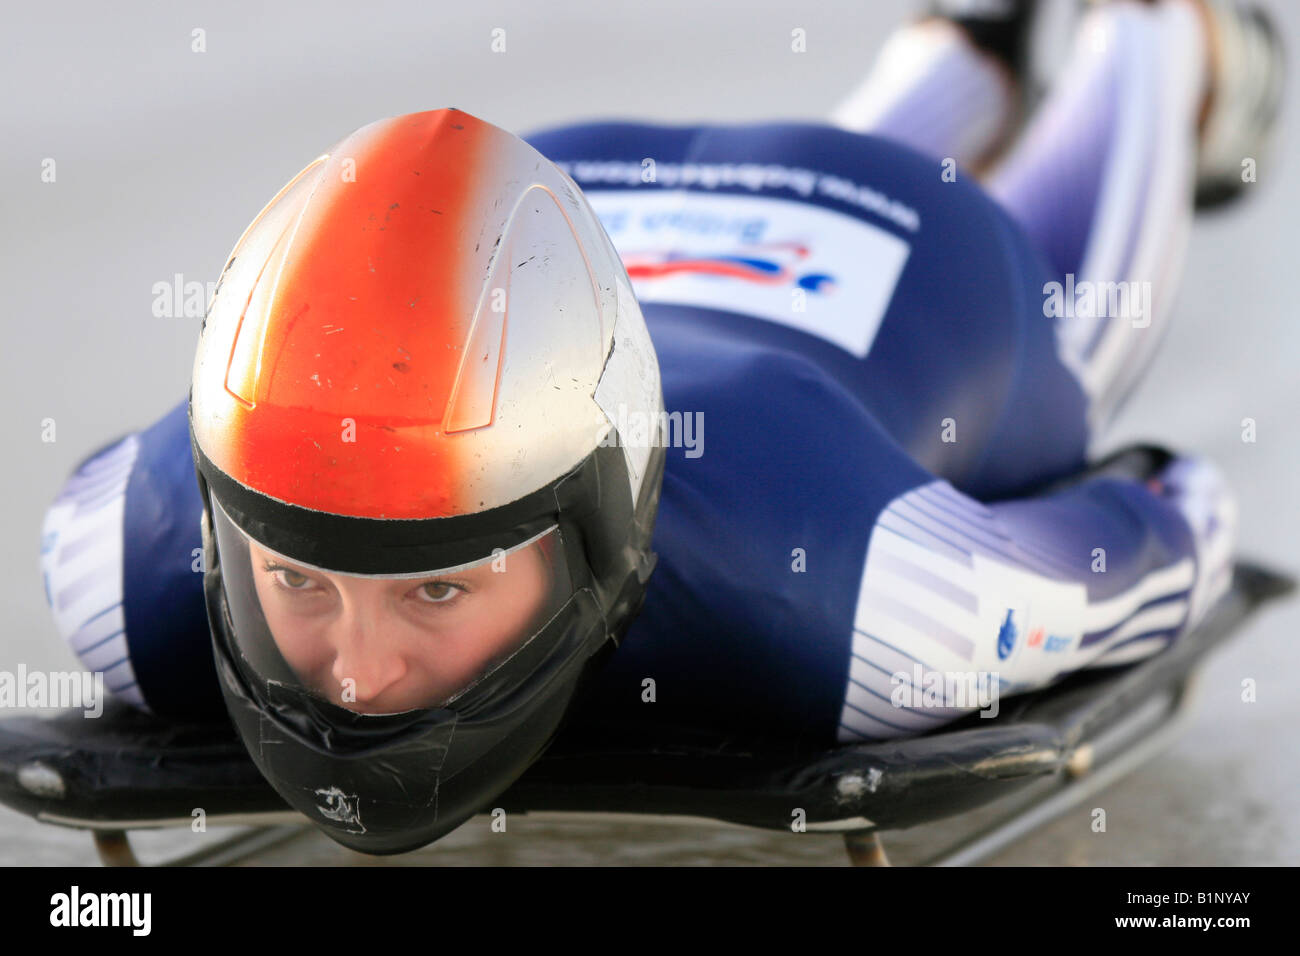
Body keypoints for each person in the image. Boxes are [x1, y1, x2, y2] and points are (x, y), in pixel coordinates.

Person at [38, 0, 1282, 854]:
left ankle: (1155, 40)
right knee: (832, 181)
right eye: (297, 576)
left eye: (430, 592)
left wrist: (1153, 494)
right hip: (572, 205)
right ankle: (968, 46)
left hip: (925, 260)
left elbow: (1166, 532)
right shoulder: (123, 551)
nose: (355, 680)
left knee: (1084, 263)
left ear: (593, 527)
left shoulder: (873, 602)